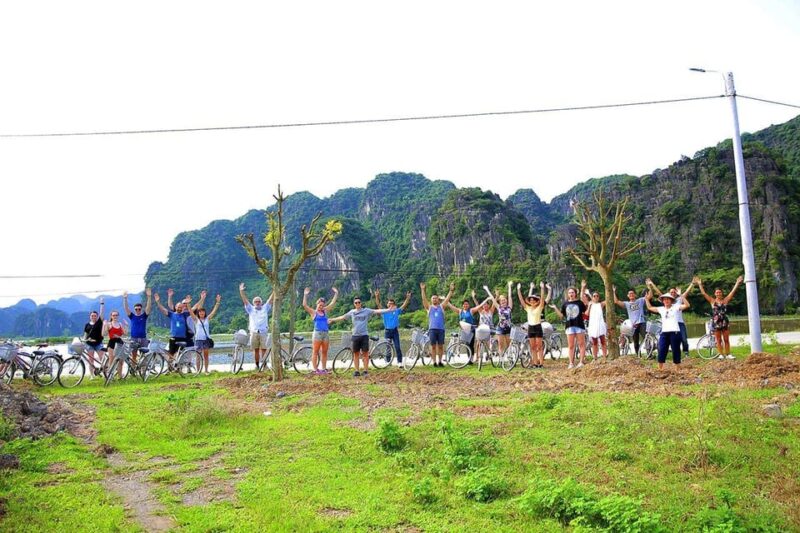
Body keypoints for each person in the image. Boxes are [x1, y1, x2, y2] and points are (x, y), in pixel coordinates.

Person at [328, 296, 391, 377]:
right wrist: (332, 319)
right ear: (354, 304)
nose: (357, 304)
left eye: (359, 302)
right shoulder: (352, 312)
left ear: (361, 303)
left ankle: (365, 371)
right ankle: (357, 371)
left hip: (364, 335)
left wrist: (388, 310)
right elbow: (342, 317)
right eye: (356, 302)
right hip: (355, 335)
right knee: (356, 354)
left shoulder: (366, 311)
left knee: (365, 354)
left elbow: (377, 311)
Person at [694, 275, 744, 360]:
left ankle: (728, 354)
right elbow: (703, 293)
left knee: (726, 339)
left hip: (724, 321)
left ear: (722, 293)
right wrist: (699, 284)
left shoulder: (725, 301)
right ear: (715, 294)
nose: (718, 294)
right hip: (716, 322)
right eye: (717, 292)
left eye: (719, 292)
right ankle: (721, 354)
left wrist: (737, 283)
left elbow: (732, 292)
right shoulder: (712, 301)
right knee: (718, 340)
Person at [644, 291, 690, 370]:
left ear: (671, 300)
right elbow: (650, 308)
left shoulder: (676, 307)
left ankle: (677, 368)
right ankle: (660, 369)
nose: (666, 301)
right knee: (661, 349)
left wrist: (682, 297)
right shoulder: (661, 309)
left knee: (676, 350)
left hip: (675, 332)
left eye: (668, 299)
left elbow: (687, 305)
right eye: (664, 299)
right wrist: (646, 299)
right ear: (662, 301)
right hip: (664, 333)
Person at [549, 279, 589, 369]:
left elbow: (585, 311)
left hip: (579, 325)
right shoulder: (565, 304)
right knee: (571, 346)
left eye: (572, 292)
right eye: (569, 293)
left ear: (575, 293)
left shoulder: (579, 302)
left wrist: (582, 288)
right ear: (568, 294)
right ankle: (571, 363)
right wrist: (555, 308)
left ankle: (581, 362)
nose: (571, 294)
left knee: (581, 344)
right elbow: (561, 316)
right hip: (569, 326)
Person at [646, 278, 694, 353]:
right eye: (671, 292)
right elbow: (658, 292)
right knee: (670, 340)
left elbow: (687, 292)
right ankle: (670, 352)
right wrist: (652, 284)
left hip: (679, 322)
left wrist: (692, 283)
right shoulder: (666, 301)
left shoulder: (679, 299)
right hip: (670, 324)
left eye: (674, 292)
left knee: (684, 339)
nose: (673, 293)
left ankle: (686, 352)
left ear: (676, 293)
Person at [446, 290, 490, 364]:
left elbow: (479, 306)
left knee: (471, 344)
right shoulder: (460, 311)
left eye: (467, 304)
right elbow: (451, 307)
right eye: (464, 304)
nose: (465, 306)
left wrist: (486, 299)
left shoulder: (471, 311)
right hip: (464, 330)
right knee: (466, 344)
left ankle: (471, 358)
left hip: (471, 330)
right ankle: (469, 358)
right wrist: (446, 300)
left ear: (468, 305)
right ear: (462, 305)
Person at [301, 286, 339, 374]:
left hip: (325, 333)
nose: (321, 306)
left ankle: (324, 368)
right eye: (319, 305)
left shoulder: (325, 311)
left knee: (324, 352)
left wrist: (336, 293)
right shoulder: (314, 312)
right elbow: (304, 305)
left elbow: (332, 303)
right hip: (317, 333)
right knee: (315, 351)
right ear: (317, 304)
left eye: (322, 305)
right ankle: (315, 369)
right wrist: (305, 295)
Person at [239, 283, 274, 370]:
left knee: (264, 349)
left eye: (259, 301)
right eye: (256, 302)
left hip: (263, 332)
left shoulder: (265, 308)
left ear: (261, 302)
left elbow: (270, 299)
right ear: (253, 303)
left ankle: (264, 365)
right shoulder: (250, 309)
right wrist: (241, 291)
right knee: (255, 350)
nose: (257, 303)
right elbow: (245, 300)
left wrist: (274, 289)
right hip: (254, 332)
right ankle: (257, 365)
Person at [420, 282, 455, 367]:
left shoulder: (441, 307)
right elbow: (424, 300)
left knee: (440, 346)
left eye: (436, 298)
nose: (434, 299)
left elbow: (447, 299)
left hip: (441, 329)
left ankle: (440, 361)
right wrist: (423, 290)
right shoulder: (429, 307)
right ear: (431, 300)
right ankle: (434, 362)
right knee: (433, 346)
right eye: (433, 298)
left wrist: (451, 290)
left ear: (438, 300)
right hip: (432, 329)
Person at [518, 281, 551, 368]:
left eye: (533, 300)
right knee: (532, 347)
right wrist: (518, 290)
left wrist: (542, 288)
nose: (532, 301)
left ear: (536, 301)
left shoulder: (540, 307)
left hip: (537, 327)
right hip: (530, 328)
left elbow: (543, 299)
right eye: (531, 300)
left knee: (539, 347)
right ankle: (535, 363)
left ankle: (541, 364)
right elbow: (521, 300)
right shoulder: (528, 308)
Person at [374, 289, 411, 366]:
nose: (390, 305)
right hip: (387, 331)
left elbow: (404, 305)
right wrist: (377, 296)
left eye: (392, 304)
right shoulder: (384, 311)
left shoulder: (396, 311)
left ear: (394, 305)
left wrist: (408, 298)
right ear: (387, 305)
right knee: (388, 347)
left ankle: (399, 362)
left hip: (394, 331)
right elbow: (378, 304)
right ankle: (388, 361)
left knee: (397, 346)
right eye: (389, 303)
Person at [154, 292, 192, 361]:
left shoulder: (185, 314)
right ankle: (170, 368)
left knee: (180, 353)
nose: (179, 308)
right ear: (175, 307)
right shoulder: (172, 314)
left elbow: (194, 309)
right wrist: (158, 302)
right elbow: (163, 310)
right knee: (171, 352)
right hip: (173, 337)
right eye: (178, 307)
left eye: (181, 307)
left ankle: (178, 367)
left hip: (182, 338)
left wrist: (189, 303)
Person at [191, 294, 221, 374]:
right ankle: (198, 371)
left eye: (203, 312)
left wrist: (217, 302)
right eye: (200, 312)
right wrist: (188, 304)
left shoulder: (207, 319)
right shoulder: (196, 320)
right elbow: (191, 312)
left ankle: (206, 370)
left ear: (205, 313)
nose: (202, 314)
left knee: (206, 356)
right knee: (198, 356)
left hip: (206, 339)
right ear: (198, 313)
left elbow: (214, 311)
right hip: (198, 339)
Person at [613, 286, 647, 356]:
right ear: (628, 296)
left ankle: (649, 353)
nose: (631, 295)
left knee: (646, 338)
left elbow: (649, 297)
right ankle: (638, 355)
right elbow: (616, 301)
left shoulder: (640, 300)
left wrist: (650, 286)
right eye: (630, 294)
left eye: (632, 293)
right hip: (633, 325)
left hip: (642, 322)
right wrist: (614, 292)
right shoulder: (627, 304)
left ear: (635, 295)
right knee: (636, 341)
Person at [123, 288, 152, 364]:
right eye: (136, 309)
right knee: (134, 355)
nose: (138, 310)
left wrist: (149, 297)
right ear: (134, 309)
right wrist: (125, 299)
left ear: (141, 309)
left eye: (139, 309)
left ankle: (143, 371)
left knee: (144, 355)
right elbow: (126, 308)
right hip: (134, 338)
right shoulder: (132, 316)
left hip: (143, 338)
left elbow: (148, 308)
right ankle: (134, 370)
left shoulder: (144, 316)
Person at [485, 281, 514, 354]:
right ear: (500, 302)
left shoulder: (509, 307)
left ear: (506, 301)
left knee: (508, 345)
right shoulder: (499, 307)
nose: (503, 301)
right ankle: (501, 359)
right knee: (501, 345)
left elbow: (510, 296)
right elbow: (492, 298)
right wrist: (487, 289)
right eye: (501, 300)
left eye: (504, 300)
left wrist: (509, 286)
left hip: (508, 328)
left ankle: (508, 357)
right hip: (500, 328)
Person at [83, 299, 105, 376]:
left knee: (102, 359)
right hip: (89, 344)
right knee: (90, 360)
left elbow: (102, 314)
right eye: (92, 316)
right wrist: (84, 340)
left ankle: (105, 372)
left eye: (95, 316)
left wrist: (102, 303)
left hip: (98, 343)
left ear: (97, 316)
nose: (93, 317)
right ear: (90, 316)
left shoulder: (99, 322)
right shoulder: (87, 325)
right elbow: (85, 334)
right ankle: (92, 375)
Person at [102, 309, 126, 377]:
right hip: (112, 343)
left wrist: (126, 325)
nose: (115, 316)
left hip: (120, 342)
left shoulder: (120, 324)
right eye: (113, 315)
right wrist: (104, 325)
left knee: (121, 360)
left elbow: (125, 333)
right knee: (111, 360)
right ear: (111, 316)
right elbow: (104, 334)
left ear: (118, 316)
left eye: (116, 315)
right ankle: (110, 376)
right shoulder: (109, 324)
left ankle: (120, 376)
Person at [586, 291, 608, 362]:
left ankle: (604, 356)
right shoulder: (590, 304)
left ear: (599, 297)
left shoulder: (600, 304)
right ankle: (595, 357)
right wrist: (589, 306)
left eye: (597, 296)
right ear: (592, 297)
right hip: (593, 325)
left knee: (603, 341)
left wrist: (612, 291)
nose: (595, 297)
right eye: (594, 296)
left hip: (600, 324)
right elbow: (587, 314)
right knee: (594, 342)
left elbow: (609, 299)